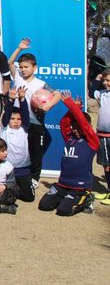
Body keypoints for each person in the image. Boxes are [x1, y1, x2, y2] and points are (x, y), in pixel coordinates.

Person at [7, 38, 61, 183]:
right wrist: (19, 48)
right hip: (19, 121)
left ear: (35, 68)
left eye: (26, 67)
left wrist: (48, 106)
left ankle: (34, 178)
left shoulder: (41, 84)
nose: (23, 70)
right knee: (18, 148)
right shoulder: (17, 77)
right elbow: (10, 63)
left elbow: (57, 94)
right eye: (22, 67)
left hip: (35, 122)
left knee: (35, 150)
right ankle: (16, 174)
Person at [38, 92, 99, 216]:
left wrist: (72, 106)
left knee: (63, 211)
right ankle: (66, 197)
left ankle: (87, 199)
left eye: (78, 128)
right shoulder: (70, 138)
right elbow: (64, 123)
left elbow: (84, 125)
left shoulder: (92, 141)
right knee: (44, 206)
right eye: (73, 128)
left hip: (79, 187)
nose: (75, 130)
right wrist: (72, 110)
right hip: (63, 184)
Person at [0, 88, 35, 202]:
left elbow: (25, 114)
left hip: (22, 169)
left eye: (18, 119)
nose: (16, 121)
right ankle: (11, 188)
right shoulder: (4, 128)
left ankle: (17, 188)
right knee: (5, 197)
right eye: (13, 119)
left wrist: (22, 99)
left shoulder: (24, 128)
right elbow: (7, 112)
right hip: (7, 168)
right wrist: (11, 99)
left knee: (29, 198)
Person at [94, 68, 110, 200]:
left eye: (108, 80)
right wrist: (98, 78)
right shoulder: (102, 94)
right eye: (105, 80)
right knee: (106, 164)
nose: (106, 82)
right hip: (103, 135)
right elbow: (91, 90)